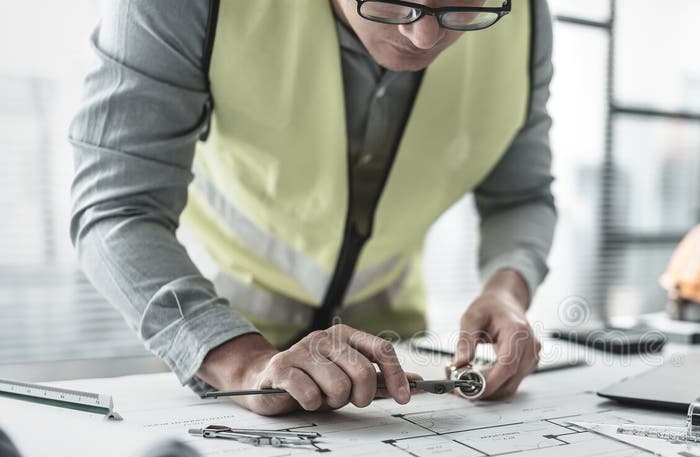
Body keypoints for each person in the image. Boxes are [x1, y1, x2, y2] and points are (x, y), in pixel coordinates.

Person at [69, 0, 556, 415]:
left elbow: (521, 197)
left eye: (461, 0)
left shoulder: (526, 20)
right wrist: (240, 360)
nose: (423, 34)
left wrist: (507, 290)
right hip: (220, 348)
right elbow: (117, 209)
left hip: (397, 358)